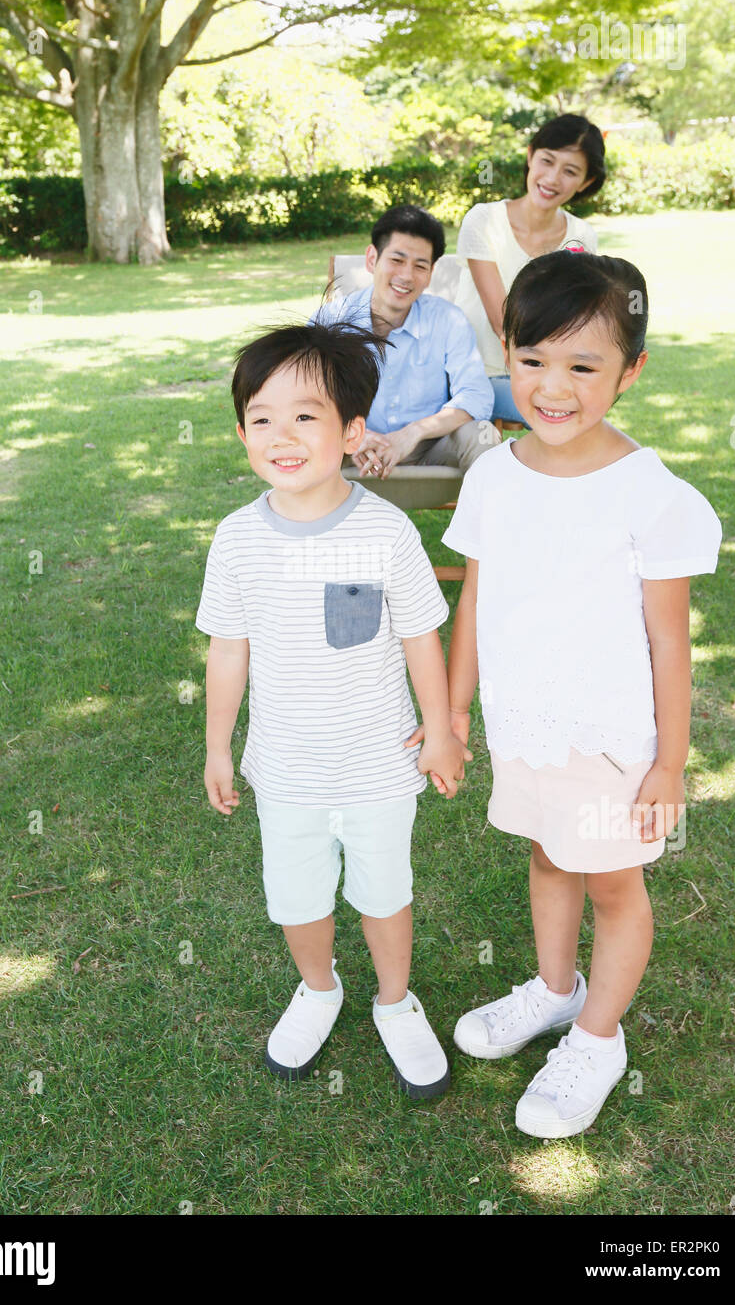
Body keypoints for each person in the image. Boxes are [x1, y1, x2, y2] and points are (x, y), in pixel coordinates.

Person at [439, 251, 722, 1137]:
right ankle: (556, 992)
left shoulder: (651, 495)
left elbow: (670, 642)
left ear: (630, 372)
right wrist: (451, 712)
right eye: (531, 360)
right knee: (549, 856)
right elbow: (476, 598)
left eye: (582, 366)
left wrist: (669, 764)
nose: (552, 387)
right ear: (507, 353)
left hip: (605, 742)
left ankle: (599, 1039)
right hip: (522, 725)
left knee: (611, 884)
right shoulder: (491, 475)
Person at [195, 321, 471, 1099]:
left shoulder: (385, 531)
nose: (280, 436)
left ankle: (395, 999)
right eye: (260, 418)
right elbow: (228, 649)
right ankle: (319, 989)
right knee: (298, 896)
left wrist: (444, 730)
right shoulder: (237, 539)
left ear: (352, 432)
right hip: (285, 768)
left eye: (305, 416)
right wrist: (220, 748)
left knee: (385, 891)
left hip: (381, 763)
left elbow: (423, 637)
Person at [315, 204, 499, 481]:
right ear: (371, 258)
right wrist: (348, 433)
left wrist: (411, 434)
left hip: (429, 446)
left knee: (483, 435)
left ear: (431, 272)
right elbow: (304, 396)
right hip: (350, 448)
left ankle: (489, 523)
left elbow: (476, 395)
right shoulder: (331, 319)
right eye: (397, 260)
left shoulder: (449, 320)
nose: (406, 276)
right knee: (310, 436)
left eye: (420, 266)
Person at [455, 113, 605, 426]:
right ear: (530, 155)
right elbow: (504, 323)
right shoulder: (483, 220)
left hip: (542, 380)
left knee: (597, 403)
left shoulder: (581, 236)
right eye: (547, 161)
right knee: (581, 416)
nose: (552, 179)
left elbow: (574, 322)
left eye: (570, 171)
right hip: (474, 377)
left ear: (586, 181)